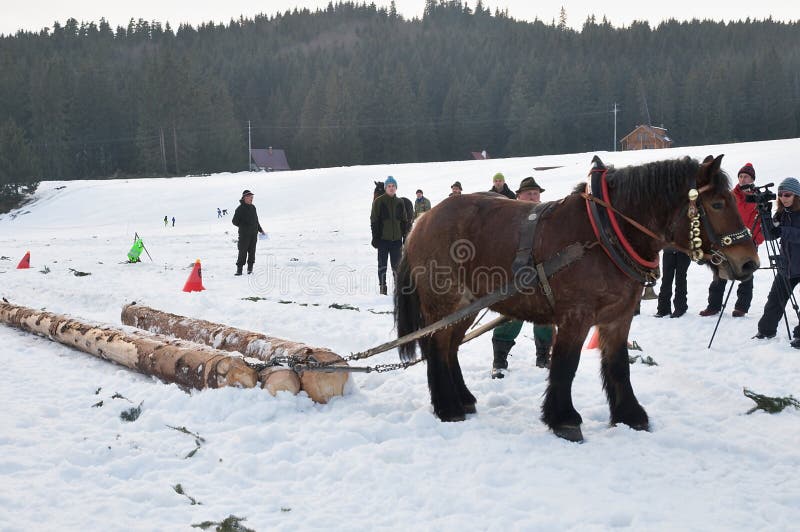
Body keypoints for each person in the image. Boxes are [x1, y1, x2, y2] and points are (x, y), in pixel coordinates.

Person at [491, 176, 554, 378]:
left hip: (541, 277)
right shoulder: (507, 218)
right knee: (510, 317)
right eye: (529, 193)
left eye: (536, 193)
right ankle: (499, 361)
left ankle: (543, 358)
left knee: (545, 317)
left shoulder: (548, 217)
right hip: (512, 276)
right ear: (518, 196)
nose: (534, 197)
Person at [699, 163, 765, 317]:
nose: (743, 179)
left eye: (746, 176)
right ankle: (714, 305)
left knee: (746, 274)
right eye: (741, 176)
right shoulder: (729, 195)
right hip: (727, 241)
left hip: (747, 242)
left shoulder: (757, 199)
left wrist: (755, 241)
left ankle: (741, 307)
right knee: (719, 273)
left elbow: (762, 224)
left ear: (752, 179)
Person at [755, 177, 800, 346]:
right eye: (780, 194)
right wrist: (765, 216)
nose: (783, 197)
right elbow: (769, 235)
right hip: (787, 265)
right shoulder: (781, 214)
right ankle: (766, 331)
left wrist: (784, 230)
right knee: (775, 299)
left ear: (796, 195)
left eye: (787, 194)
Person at [370, 176, 409, 295]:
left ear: (396, 188)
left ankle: (397, 288)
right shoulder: (378, 202)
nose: (391, 188)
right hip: (382, 240)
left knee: (397, 266)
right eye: (389, 186)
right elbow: (374, 221)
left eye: (393, 186)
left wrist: (404, 238)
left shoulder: (400, 202)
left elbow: (404, 222)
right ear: (385, 188)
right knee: (382, 265)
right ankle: (383, 287)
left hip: (396, 241)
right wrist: (375, 238)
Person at [232, 189, 265, 276]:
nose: (251, 199)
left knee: (252, 252)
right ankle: (239, 270)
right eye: (250, 197)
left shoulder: (253, 207)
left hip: (253, 234)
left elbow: (256, 221)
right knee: (242, 252)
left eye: (252, 197)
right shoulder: (239, 209)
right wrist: (243, 226)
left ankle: (250, 269)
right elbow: (234, 221)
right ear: (244, 198)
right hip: (244, 235)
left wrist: (260, 230)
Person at [654, 248, 691, 318]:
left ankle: (680, 307)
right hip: (668, 251)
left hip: (683, 252)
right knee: (666, 280)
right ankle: (663, 309)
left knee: (680, 279)